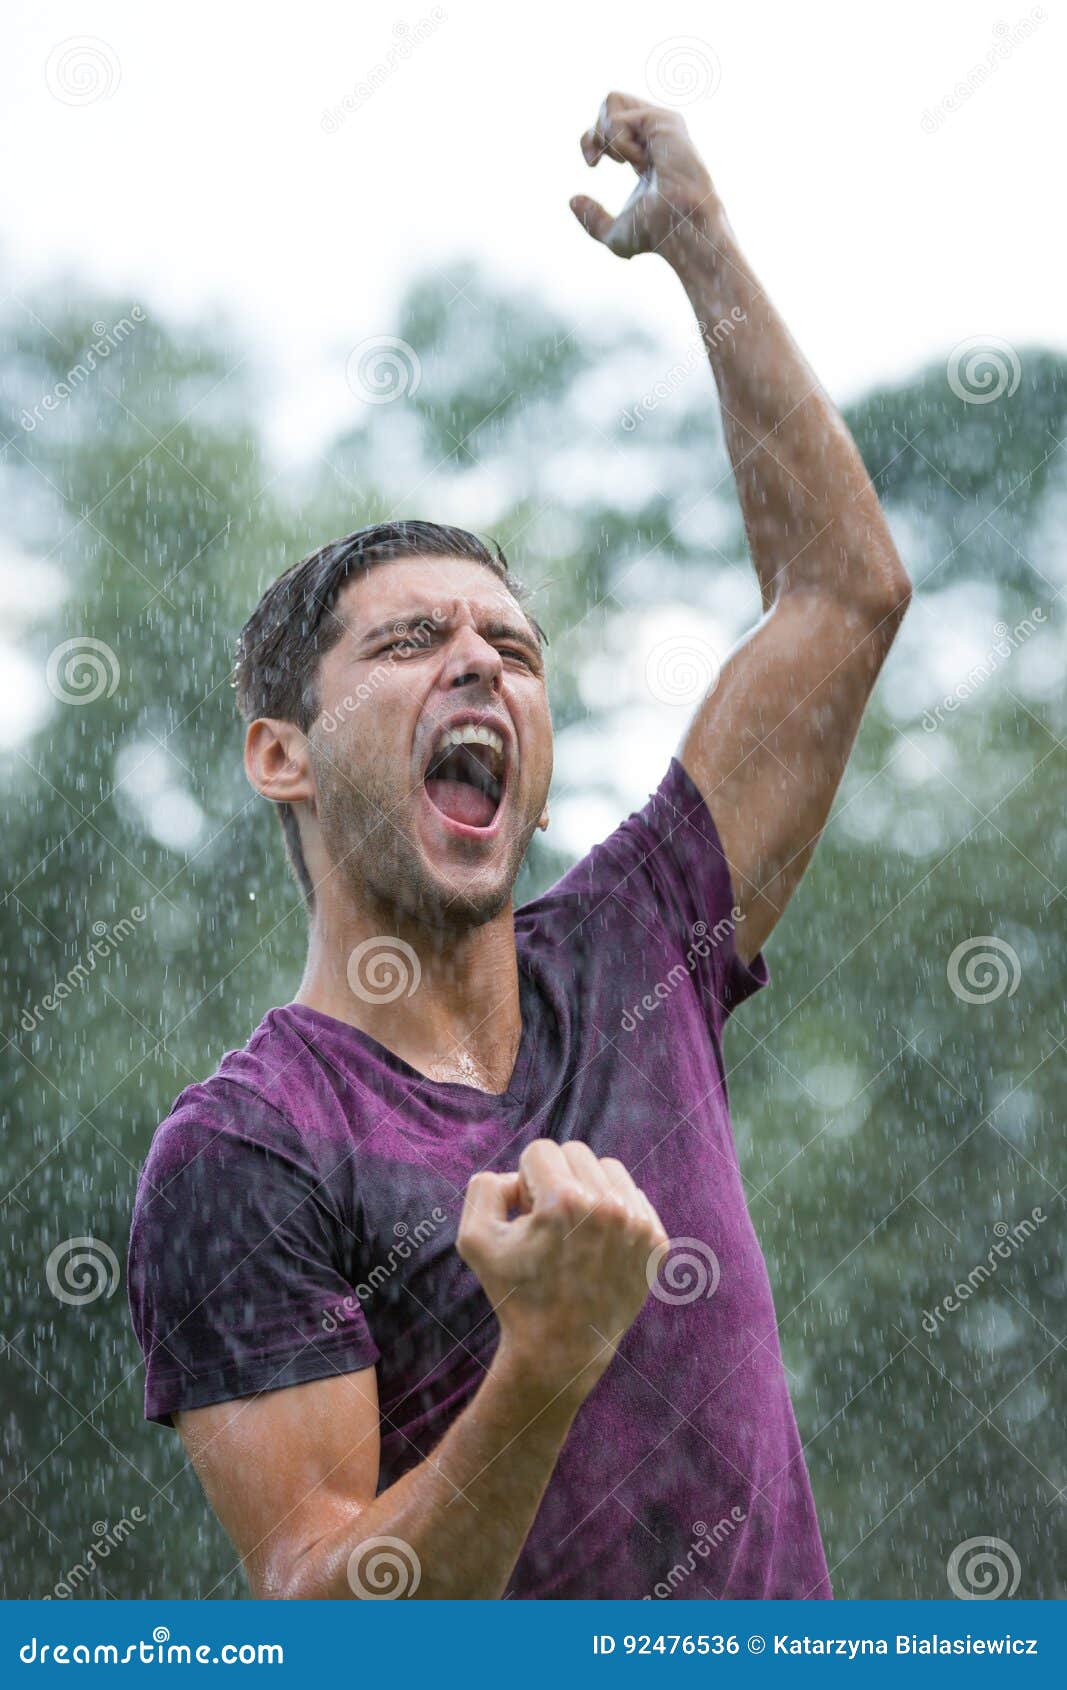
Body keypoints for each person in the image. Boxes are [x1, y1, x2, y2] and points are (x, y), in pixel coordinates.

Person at [127, 92, 910, 1600]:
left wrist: (702, 246)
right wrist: (545, 1357)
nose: (479, 665)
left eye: (514, 648)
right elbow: (326, 1619)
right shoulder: (246, 1151)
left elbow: (841, 595)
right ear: (278, 754)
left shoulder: (639, 946)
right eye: (412, 641)